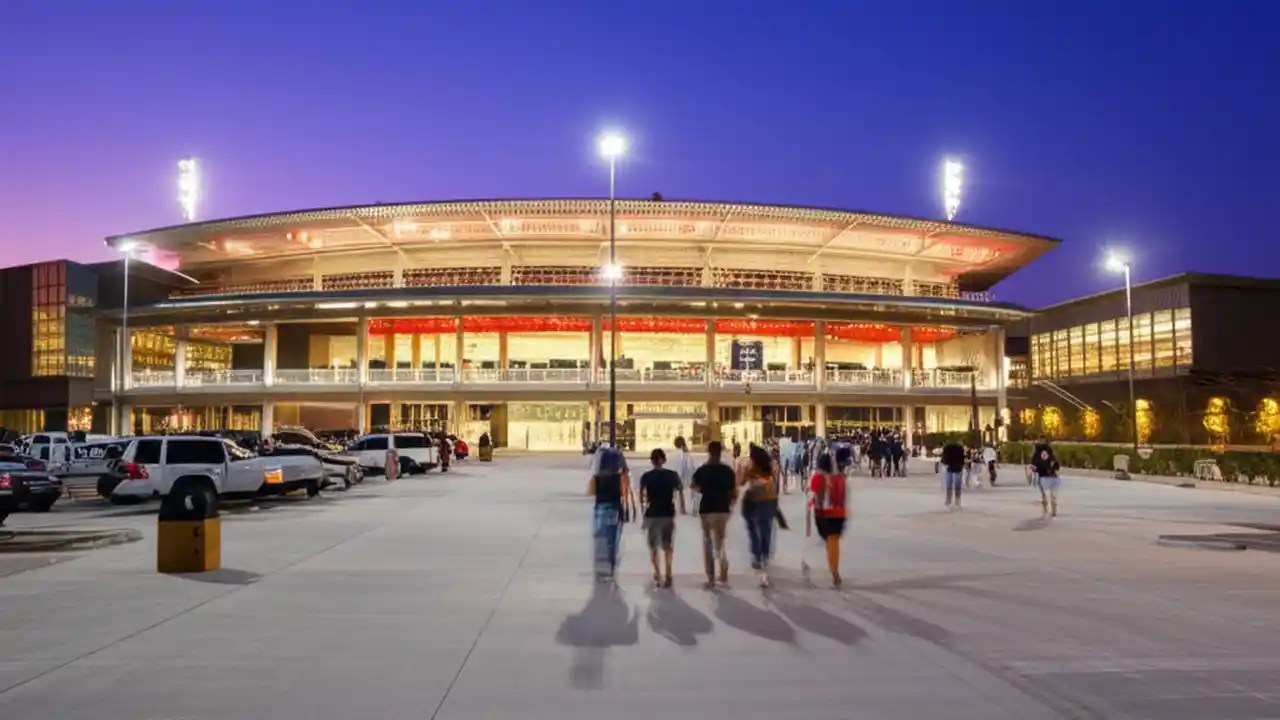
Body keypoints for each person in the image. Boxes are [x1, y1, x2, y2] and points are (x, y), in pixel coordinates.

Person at [691, 440, 737, 588]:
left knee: (707, 542)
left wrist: (704, 490)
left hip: (706, 509)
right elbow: (733, 492)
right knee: (720, 541)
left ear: (708, 451)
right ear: (720, 452)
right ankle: (723, 571)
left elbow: (693, 486)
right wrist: (730, 503)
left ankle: (710, 577)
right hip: (723, 509)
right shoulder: (727, 471)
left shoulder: (702, 470)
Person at [639, 448, 686, 588]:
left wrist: (643, 509)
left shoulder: (646, 476)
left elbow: (641, 495)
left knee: (653, 548)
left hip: (652, 514)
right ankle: (669, 574)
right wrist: (682, 507)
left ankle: (658, 575)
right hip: (667, 514)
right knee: (667, 546)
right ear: (663, 460)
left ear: (652, 461)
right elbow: (681, 491)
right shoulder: (672, 475)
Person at [588, 446, 633, 581]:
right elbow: (625, 490)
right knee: (613, 540)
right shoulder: (619, 476)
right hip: (615, 506)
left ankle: (602, 569)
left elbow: (591, 491)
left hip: (601, 506)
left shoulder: (597, 476)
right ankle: (612, 566)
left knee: (601, 537)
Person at [739, 444, 779, 587]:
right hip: (769, 500)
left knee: (752, 529)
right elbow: (775, 482)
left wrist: (743, 471)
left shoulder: (749, 465)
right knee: (766, 530)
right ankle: (765, 557)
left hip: (753, 501)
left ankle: (757, 556)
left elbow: (741, 482)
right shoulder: (771, 465)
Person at [809, 452, 847, 588]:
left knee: (829, 541)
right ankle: (835, 570)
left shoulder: (818, 477)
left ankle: (834, 571)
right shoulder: (840, 478)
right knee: (834, 542)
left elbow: (815, 494)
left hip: (825, 514)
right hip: (839, 514)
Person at [1030, 436, 1061, 517]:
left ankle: (1052, 507)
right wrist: (1032, 472)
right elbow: (1033, 463)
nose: (1041, 441)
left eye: (1043, 440)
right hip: (1043, 475)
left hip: (1050, 475)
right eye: (1040, 440)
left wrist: (1054, 466)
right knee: (1044, 494)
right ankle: (1046, 507)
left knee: (1051, 494)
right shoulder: (1037, 451)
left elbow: (1054, 461)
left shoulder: (1048, 450)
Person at [672, 436, 697, 516]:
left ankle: (682, 508)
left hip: (680, 476)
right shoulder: (686, 453)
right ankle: (686, 508)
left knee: (681, 492)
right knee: (687, 493)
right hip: (686, 476)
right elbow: (690, 466)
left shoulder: (679, 454)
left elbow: (681, 466)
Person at [940, 440, 967, 509]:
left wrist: (945, 464)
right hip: (958, 468)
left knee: (949, 485)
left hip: (949, 468)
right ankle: (957, 501)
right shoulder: (960, 448)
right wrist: (962, 465)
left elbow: (944, 459)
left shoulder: (946, 449)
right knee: (957, 485)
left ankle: (948, 500)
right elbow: (962, 458)